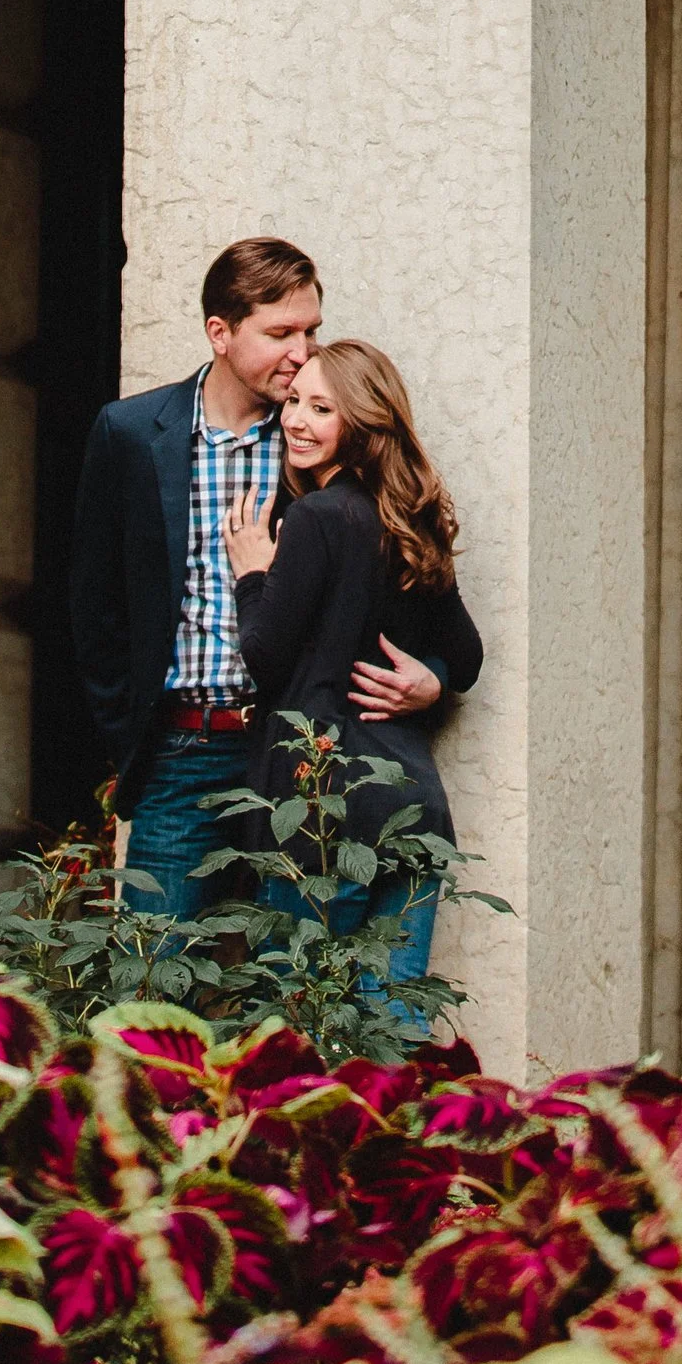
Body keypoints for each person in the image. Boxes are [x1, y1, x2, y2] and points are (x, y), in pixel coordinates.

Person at [69, 239, 445, 924]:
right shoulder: (128, 433)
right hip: (183, 750)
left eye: (311, 331)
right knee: (157, 980)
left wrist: (436, 675)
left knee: (293, 987)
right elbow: (97, 607)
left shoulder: (323, 435)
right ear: (221, 332)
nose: (303, 352)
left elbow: (411, 582)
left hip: (309, 751)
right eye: (281, 334)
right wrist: (133, 736)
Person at [223, 338, 483, 1005]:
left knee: (303, 1027)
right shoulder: (408, 524)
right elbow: (466, 657)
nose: (296, 421)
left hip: (322, 813)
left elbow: (264, 659)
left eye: (321, 409)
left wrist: (252, 575)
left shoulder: (313, 519)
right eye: (294, 402)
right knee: (393, 1029)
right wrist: (430, 679)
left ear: (362, 426)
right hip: (409, 811)